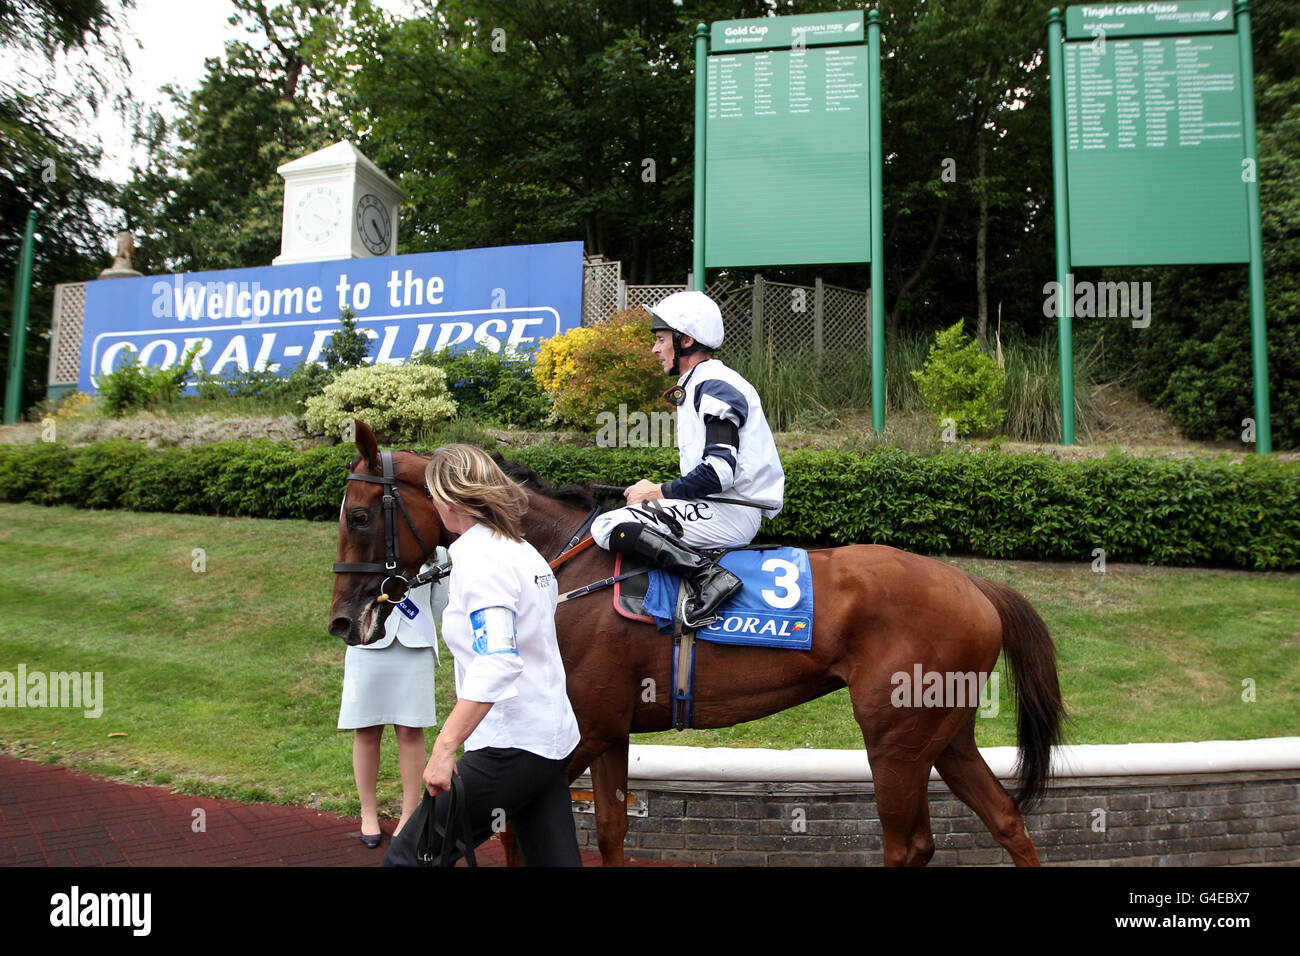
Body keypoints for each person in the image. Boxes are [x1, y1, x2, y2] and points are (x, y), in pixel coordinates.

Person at [418, 444, 582, 866]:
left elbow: (498, 659)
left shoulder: (481, 559)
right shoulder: (521, 550)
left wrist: (444, 747)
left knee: (412, 858)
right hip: (549, 740)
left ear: (449, 501)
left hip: (509, 747)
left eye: (432, 494)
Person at [591, 290, 785, 628]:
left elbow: (719, 473)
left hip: (731, 511)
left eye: (661, 339)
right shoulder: (702, 383)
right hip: (725, 506)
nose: (655, 349)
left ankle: (709, 578)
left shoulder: (714, 384)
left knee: (608, 524)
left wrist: (658, 491)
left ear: (686, 340)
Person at [337, 548, 447, 848]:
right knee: (367, 728)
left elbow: (440, 599)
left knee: (411, 729)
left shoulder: (435, 548)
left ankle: (410, 814)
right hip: (368, 639)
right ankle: (368, 813)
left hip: (414, 644)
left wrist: (415, 623)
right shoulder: (369, 540)